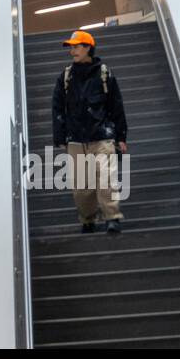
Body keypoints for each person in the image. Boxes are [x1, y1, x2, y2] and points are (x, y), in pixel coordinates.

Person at [51, 29, 128, 234]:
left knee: (106, 178)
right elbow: (57, 107)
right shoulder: (65, 77)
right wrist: (60, 136)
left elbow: (116, 105)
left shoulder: (104, 73)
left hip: (102, 137)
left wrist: (121, 136)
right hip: (76, 140)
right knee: (82, 188)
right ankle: (87, 218)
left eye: (77, 46)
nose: (73, 51)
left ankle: (112, 217)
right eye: (71, 47)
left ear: (88, 48)